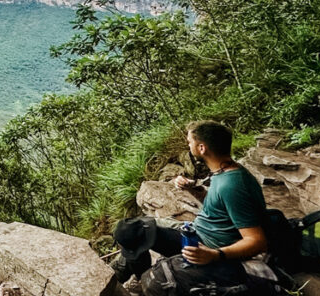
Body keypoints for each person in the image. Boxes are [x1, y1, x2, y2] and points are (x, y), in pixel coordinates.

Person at [112, 120, 268, 285]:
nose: (188, 146)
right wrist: (193, 188)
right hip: (198, 229)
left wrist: (215, 255)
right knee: (135, 227)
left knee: (129, 231)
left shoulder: (231, 185)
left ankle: (142, 279)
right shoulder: (226, 171)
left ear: (202, 148)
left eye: (190, 142)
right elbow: (220, 205)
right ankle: (124, 270)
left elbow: (257, 241)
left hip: (202, 244)